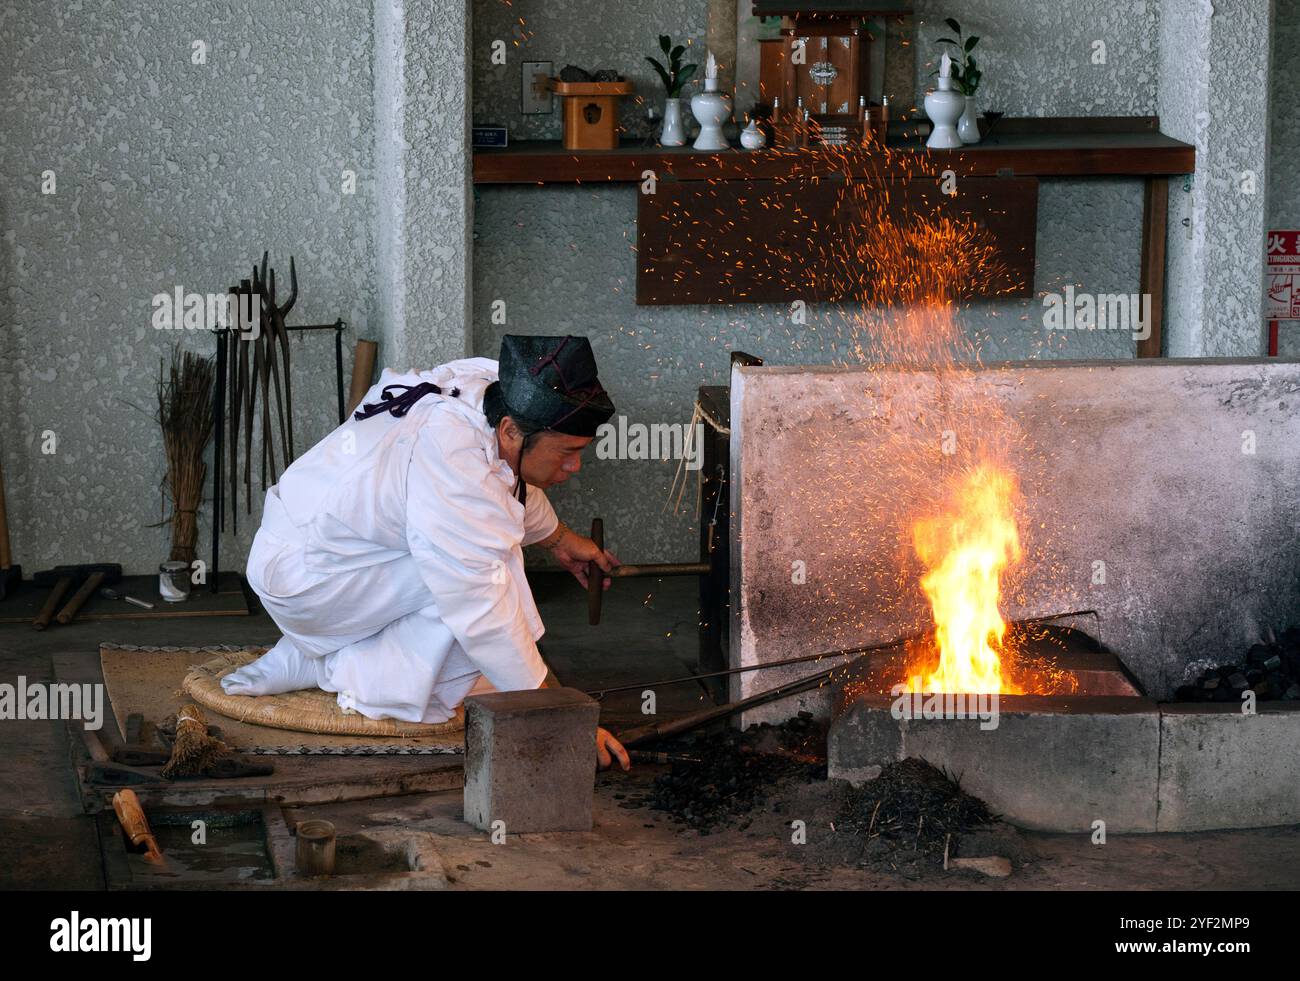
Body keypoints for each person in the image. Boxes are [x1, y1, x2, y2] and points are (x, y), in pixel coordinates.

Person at [221, 334, 631, 770]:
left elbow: (498, 480)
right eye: (567, 452)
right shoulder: (450, 455)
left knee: (477, 553)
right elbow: (482, 608)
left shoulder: (487, 388)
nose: (575, 467)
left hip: (315, 556)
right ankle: (347, 671)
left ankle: (321, 649)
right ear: (511, 430)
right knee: (485, 574)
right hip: (304, 581)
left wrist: (560, 539)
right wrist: (561, 715)